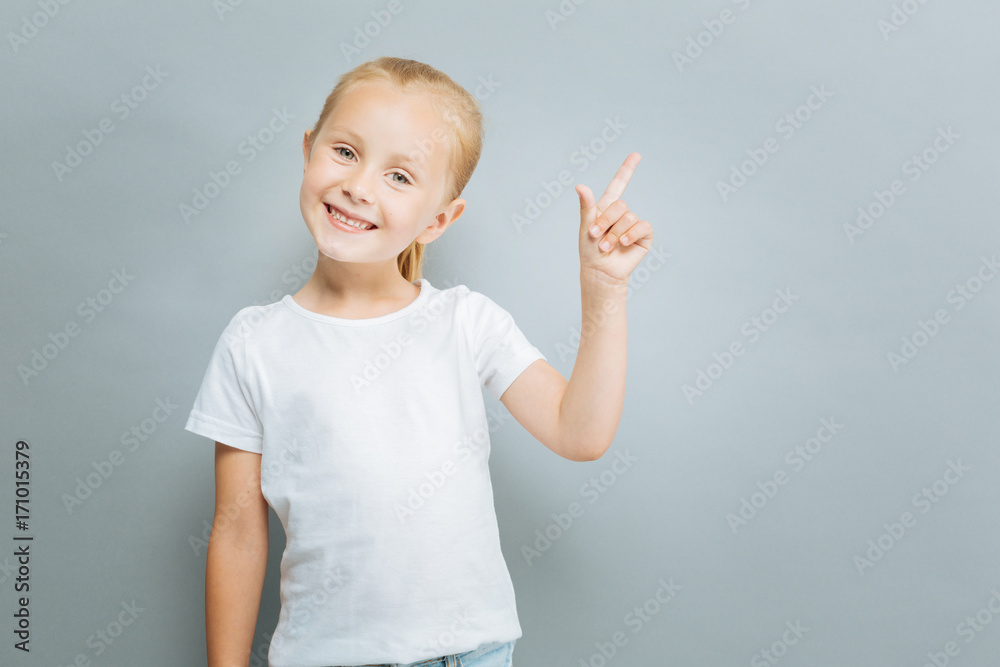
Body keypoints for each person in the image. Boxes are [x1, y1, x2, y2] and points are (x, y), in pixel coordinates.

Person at [184, 56, 652, 667]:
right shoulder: (253, 343)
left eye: (400, 177)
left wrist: (604, 290)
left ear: (439, 220)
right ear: (308, 150)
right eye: (346, 152)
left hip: (471, 655)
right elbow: (240, 530)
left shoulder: (467, 322)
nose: (360, 186)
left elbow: (580, 433)